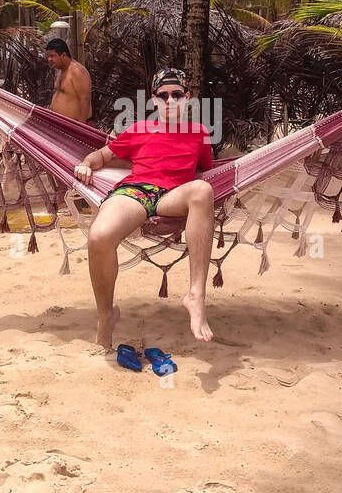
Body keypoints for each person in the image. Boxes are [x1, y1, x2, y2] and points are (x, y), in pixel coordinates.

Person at [74, 68, 215, 348]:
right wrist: (86, 164)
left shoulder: (199, 133)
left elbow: (207, 172)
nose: (170, 100)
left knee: (203, 190)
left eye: (177, 95)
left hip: (173, 195)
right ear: (153, 100)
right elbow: (102, 155)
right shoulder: (138, 129)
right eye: (163, 95)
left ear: (187, 98)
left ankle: (196, 295)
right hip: (136, 192)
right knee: (99, 237)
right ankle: (106, 315)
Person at [45, 38, 92, 122]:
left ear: (63, 55)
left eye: (52, 56)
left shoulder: (77, 71)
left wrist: (81, 127)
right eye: (48, 56)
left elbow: (85, 99)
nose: (49, 59)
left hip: (75, 125)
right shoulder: (61, 71)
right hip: (61, 124)